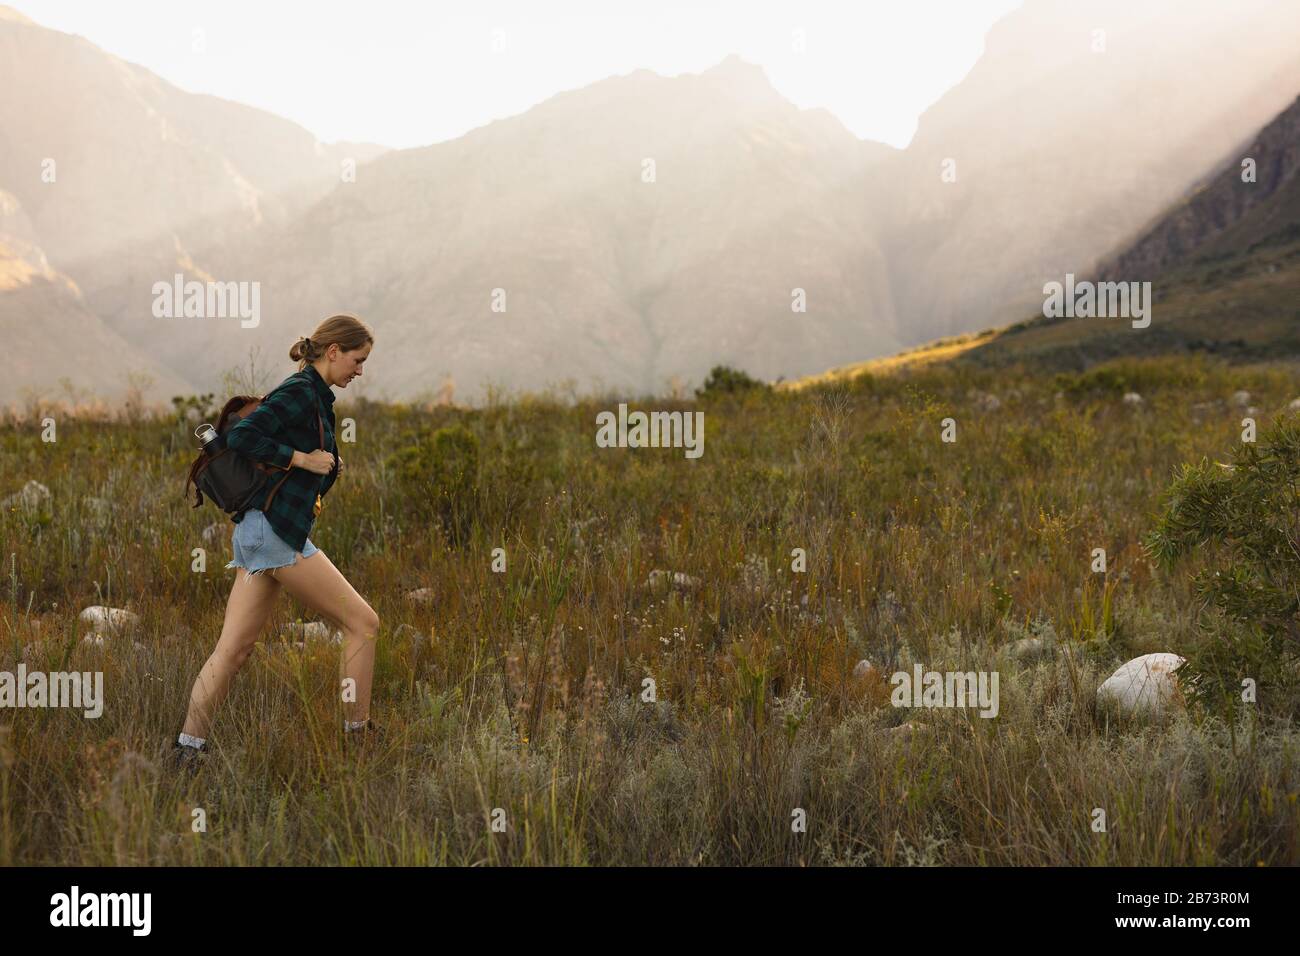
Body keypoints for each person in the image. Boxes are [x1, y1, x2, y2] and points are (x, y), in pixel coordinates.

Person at [169, 314, 379, 771]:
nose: (360, 371)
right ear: (333, 351)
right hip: (274, 534)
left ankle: (187, 751)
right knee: (363, 623)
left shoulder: (317, 395)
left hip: (260, 531)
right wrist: (303, 458)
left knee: (234, 649)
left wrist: (323, 468)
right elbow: (243, 436)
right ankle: (357, 740)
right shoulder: (301, 391)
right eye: (357, 361)